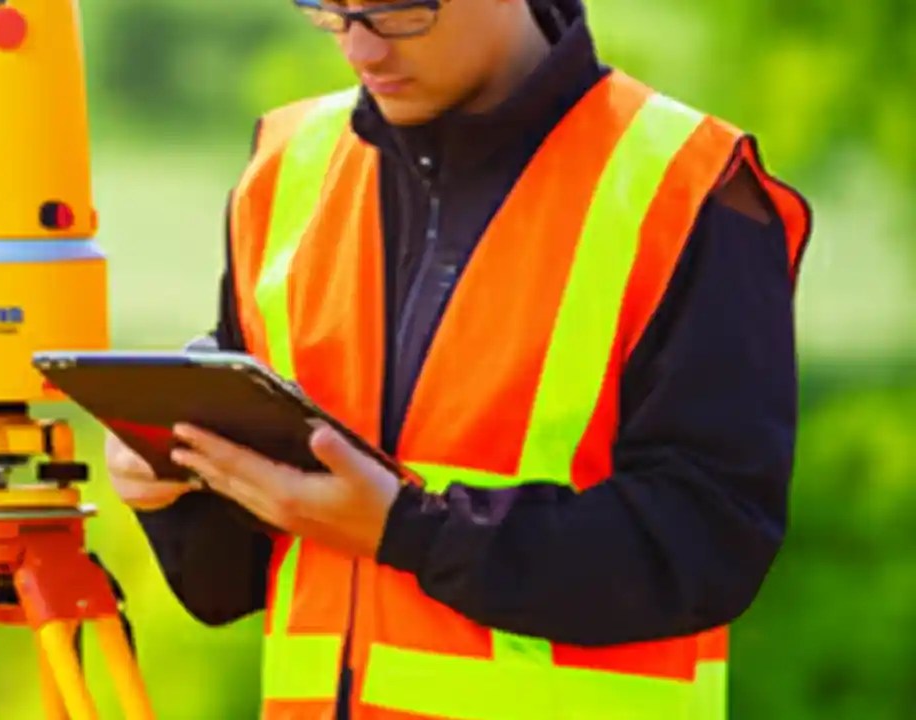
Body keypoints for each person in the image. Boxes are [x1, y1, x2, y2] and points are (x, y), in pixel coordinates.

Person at [106, 0, 811, 717]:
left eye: (397, 12)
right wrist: (175, 487)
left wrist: (409, 531)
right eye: (332, 12)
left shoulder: (691, 186)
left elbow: (706, 546)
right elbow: (235, 588)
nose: (360, 50)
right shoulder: (284, 169)